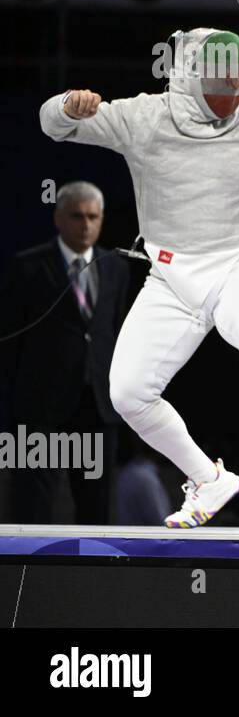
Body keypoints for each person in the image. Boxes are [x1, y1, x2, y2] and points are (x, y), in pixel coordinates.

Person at [38, 28, 239, 528]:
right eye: (221, 90)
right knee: (127, 392)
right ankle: (208, 479)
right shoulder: (144, 117)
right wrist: (66, 106)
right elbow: (51, 126)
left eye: (238, 87)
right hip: (171, 277)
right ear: (189, 80)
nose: (232, 100)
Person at [0, 181, 129, 523]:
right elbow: (10, 340)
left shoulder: (116, 267)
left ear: (101, 220)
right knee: (32, 505)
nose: (85, 225)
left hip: (98, 407)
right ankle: (23, 577)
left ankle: (96, 577)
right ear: (58, 219)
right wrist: (24, 392)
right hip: (41, 408)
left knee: (97, 510)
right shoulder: (27, 266)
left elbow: (111, 333)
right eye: (76, 216)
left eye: (92, 217)